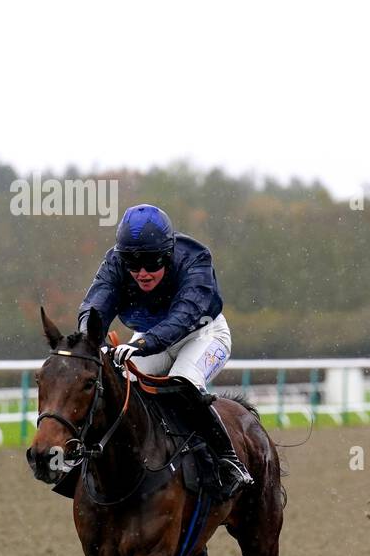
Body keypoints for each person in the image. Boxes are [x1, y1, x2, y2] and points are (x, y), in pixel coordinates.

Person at [77, 203, 254, 497]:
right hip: (148, 339)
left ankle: (228, 460)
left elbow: (184, 316)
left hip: (203, 334)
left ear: (168, 255)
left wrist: (142, 345)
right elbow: (95, 305)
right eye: (133, 264)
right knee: (122, 388)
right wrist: (89, 339)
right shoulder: (114, 264)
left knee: (183, 382)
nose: (142, 272)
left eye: (151, 262)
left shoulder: (195, 260)